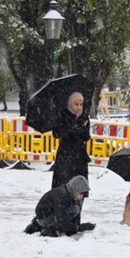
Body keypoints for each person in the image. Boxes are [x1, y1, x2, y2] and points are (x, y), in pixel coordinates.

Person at [51, 92, 91, 224]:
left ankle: (75, 220)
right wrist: (71, 129)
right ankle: (60, 219)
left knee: (79, 187)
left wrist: (80, 128)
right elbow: (56, 133)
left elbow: (86, 136)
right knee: (64, 187)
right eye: (76, 104)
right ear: (70, 104)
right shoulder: (62, 115)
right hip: (65, 157)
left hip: (80, 158)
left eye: (81, 104)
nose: (79, 107)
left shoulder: (84, 118)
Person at [24, 175, 96, 237]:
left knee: (75, 209)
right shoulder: (62, 197)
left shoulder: (68, 192)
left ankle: (47, 226)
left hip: (49, 214)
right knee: (70, 214)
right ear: (75, 190)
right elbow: (61, 221)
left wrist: (74, 227)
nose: (82, 197)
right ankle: (48, 228)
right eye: (81, 194)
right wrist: (80, 227)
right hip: (43, 218)